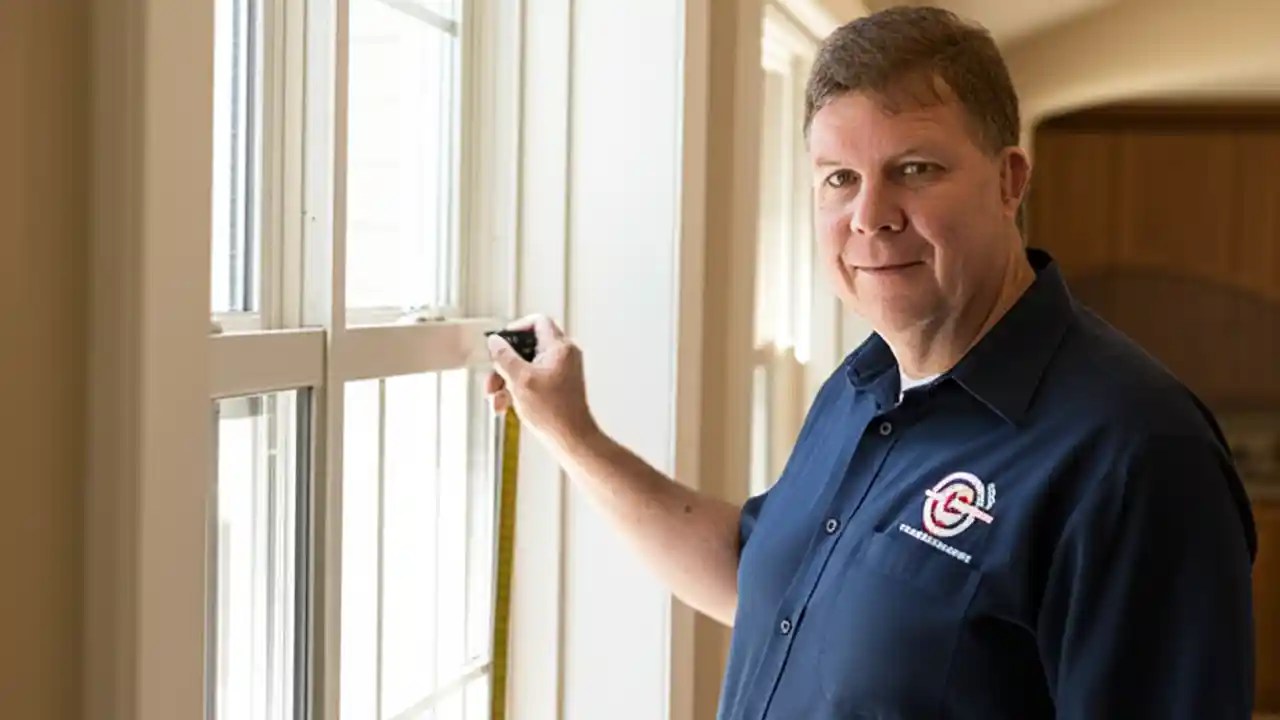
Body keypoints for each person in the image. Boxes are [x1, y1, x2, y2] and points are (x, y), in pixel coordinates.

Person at [485, 6, 1257, 719]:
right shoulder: (864, 388)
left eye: (916, 169)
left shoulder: (1134, 454)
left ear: (1009, 182)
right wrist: (570, 432)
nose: (871, 216)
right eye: (839, 178)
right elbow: (759, 577)